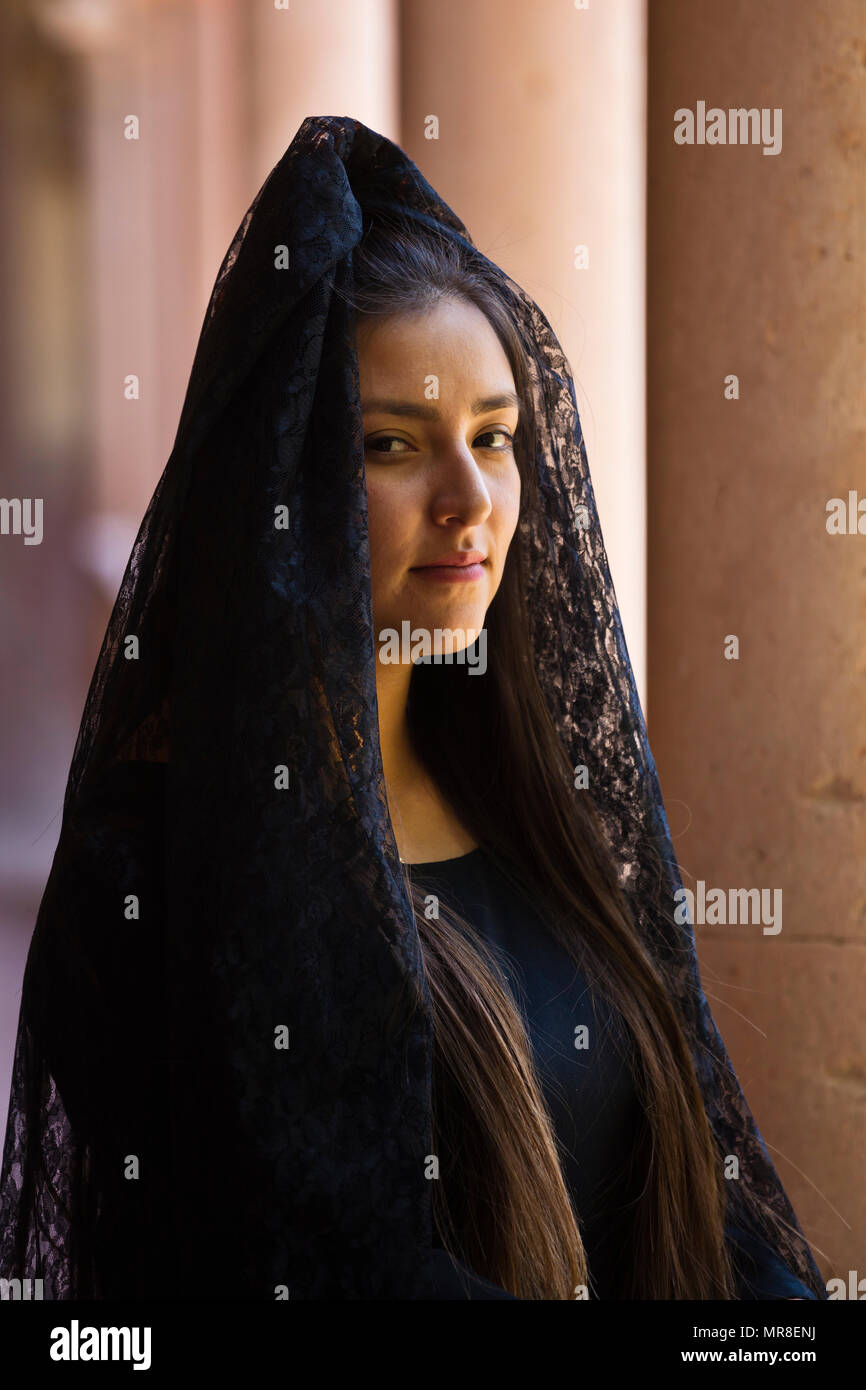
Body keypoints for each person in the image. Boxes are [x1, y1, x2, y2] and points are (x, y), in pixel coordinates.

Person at [0, 115, 827, 1301]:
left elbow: (700, 1195)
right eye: (394, 444)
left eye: (494, 437)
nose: (470, 499)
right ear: (293, 493)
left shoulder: (546, 797)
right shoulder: (161, 868)